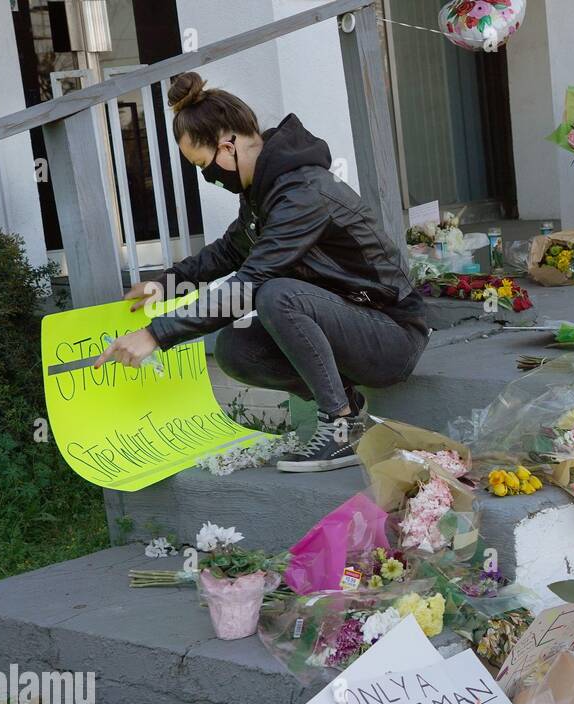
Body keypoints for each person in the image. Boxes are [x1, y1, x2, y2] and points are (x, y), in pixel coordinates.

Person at [95, 72, 429, 472]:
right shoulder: (264, 193)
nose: (210, 178)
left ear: (227, 146)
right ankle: (348, 404)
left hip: (392, 336)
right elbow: (227, 252)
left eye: (205, 166)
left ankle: (341, 427)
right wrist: (164, 283)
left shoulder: (303, 193)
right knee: (237, 349)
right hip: (350, 325)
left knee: (275, 294)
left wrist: (155, 334)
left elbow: (250, 282)